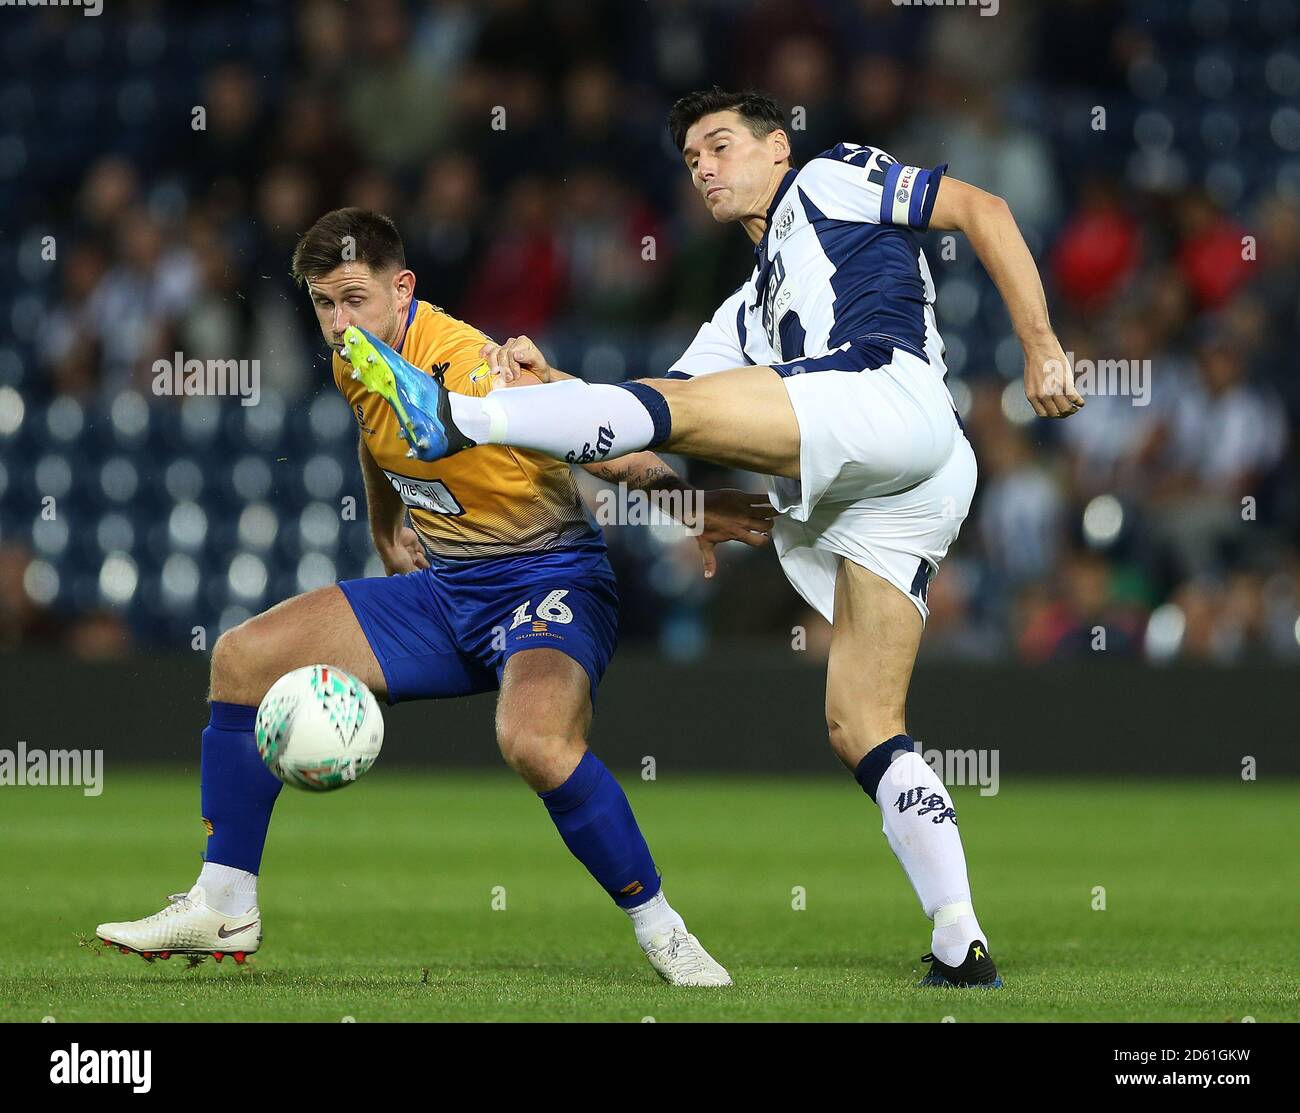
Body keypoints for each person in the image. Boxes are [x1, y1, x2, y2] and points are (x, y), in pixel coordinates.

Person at [345, 89, 1086, 987]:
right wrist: (556, 383)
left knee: (671, 409)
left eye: (721, 145)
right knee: (861, 722)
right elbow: (652, 416)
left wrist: (1039, 342)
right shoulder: (746, 310)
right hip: (909, 481)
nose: (704, 167)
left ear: (777, 148)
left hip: (889, 398)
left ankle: (458, 415)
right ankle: (958, 936)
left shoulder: (831, 177)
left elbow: (983, 207)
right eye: (692, 156)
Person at [95, 207, 775, 987]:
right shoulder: (358, 356)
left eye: (353, 297)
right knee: (242, 659)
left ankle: (664, 931)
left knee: (535, 741)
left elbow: (601, 444)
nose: (338, 320)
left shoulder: (473, 364)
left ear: (403, 286)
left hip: (548, 581)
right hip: (447, 590)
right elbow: (370, 430)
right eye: (323, 304)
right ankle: (224, 903)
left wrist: (692, 507)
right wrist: (387, 530)